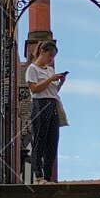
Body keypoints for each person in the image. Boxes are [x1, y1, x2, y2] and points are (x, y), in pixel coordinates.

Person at [26, 41, 66, 185]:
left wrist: (60, 82)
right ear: (42, 52)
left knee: (52, 142)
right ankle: (39, 175)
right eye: (50, 56)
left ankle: (48, 177)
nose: (51, 59)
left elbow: (53, 90)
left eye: (53, 57)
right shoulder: (32, 69)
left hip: (53, 104)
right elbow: (35, 89)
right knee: (40, 140)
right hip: (40, 104)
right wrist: (50, 79)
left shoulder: (49, 69)